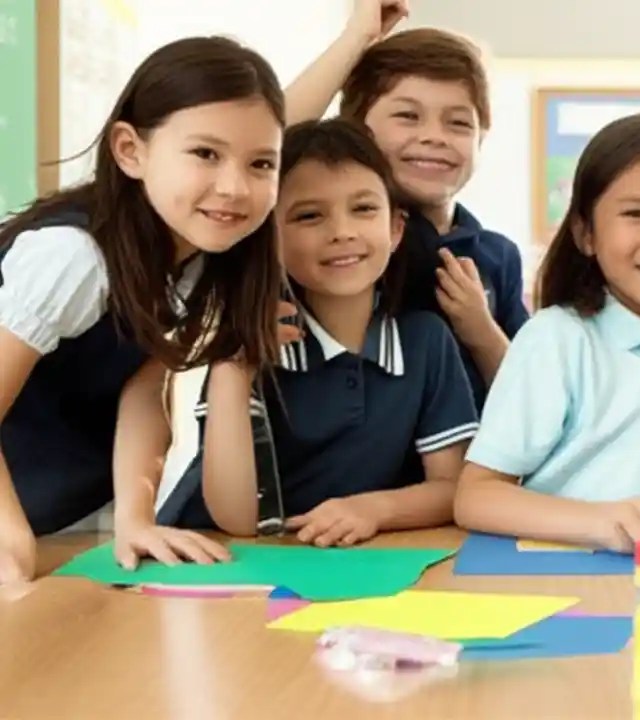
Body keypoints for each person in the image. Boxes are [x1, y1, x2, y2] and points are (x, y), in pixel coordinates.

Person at [0, 36, 290, 583]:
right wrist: (12, 546)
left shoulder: (197, 252)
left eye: (261, 163)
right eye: (205, 154)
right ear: (131, 150)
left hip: (63, 515)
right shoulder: (75, 257)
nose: (234, 186)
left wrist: (136, 518)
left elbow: (142, 386)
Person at [158, 119, 478, 547]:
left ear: (396, 229)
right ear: (268, 240)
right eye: (310, 215)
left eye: (363, 209)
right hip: (227, 563)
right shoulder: (249, 343)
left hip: (357, 560)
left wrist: (374, 510)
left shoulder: (426, 341)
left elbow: (454, 488)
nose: (342, 232)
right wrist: (233, 370)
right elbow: (236, 517)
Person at [453, 112, 640, 551]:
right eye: (635, 214)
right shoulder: (556, 340)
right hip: (561, 583)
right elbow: (476, 496)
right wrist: (600, 521)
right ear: (585, 233)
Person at [286, 0, 528, 410]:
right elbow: (261, 148)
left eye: (458, 123)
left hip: (467, 468)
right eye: (408, 116)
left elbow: (536, 395)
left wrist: (481, 330)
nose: (435, 136)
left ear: (481, 137)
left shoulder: (497, 256)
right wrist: (356, 38)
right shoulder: (345, 242)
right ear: (356, 126)